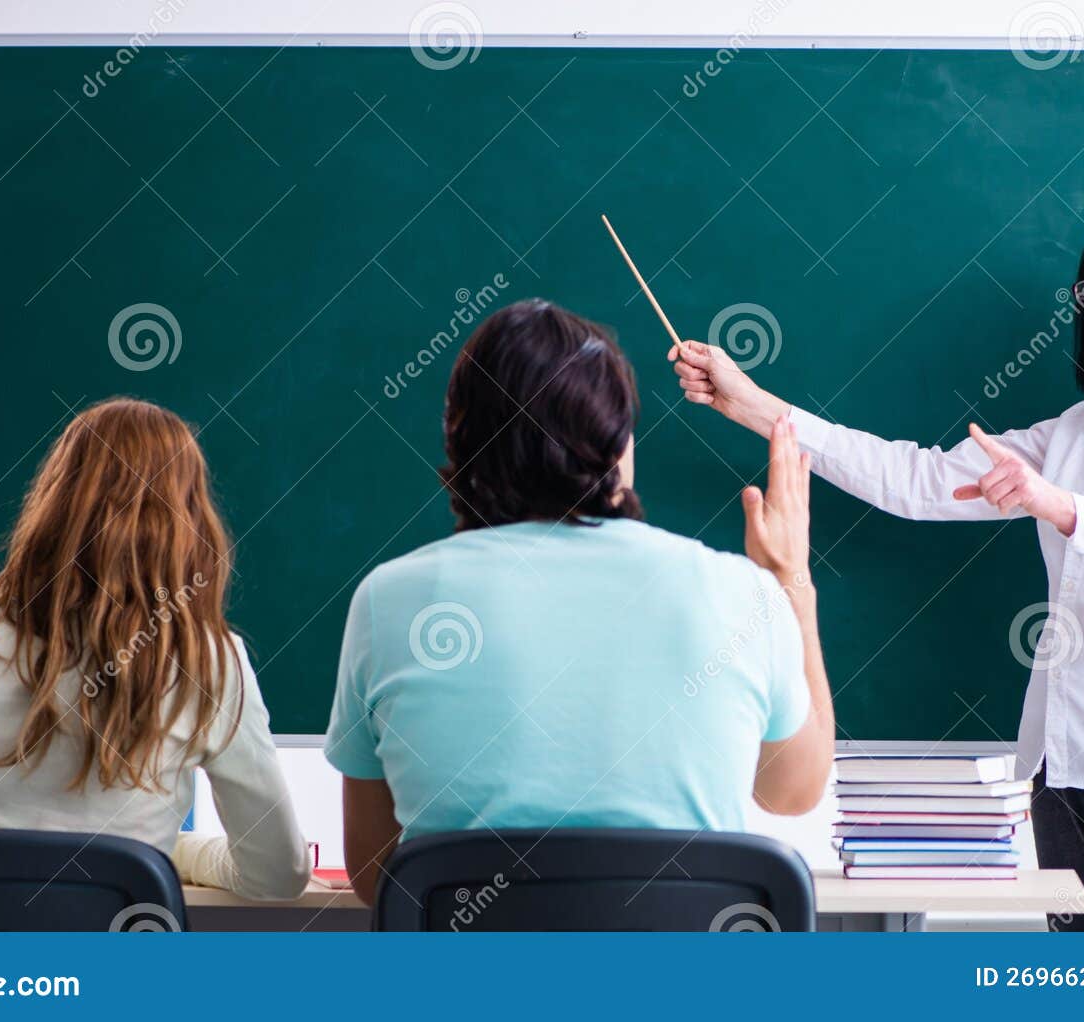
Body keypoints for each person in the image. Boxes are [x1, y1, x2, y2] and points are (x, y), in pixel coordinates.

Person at [670, 209, 1084, 932]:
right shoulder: (1075, 434)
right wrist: (755, 406)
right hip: (1063, 764)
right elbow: (917, 481)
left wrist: (1063, 508)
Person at [326, 299, 835, 904]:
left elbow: (375, 874)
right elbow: (793, 791)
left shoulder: (390, 600)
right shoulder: (741, 593)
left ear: (462, 443)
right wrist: (789, 578)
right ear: (618, 441)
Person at [0, 398, 310, 901]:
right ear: (188, 517)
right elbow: (277, 875)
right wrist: (175, 854)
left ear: (53, 501)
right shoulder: (209, 661)